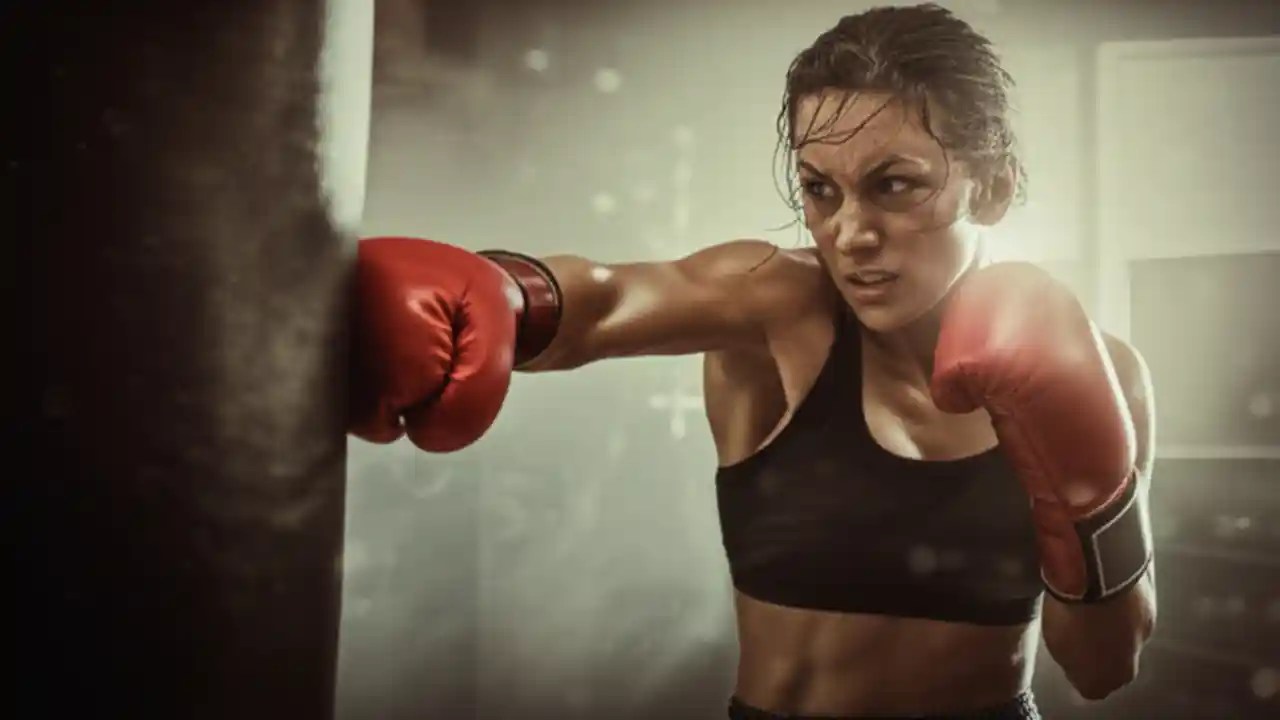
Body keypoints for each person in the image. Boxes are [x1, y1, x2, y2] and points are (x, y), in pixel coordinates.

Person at [349, 4, 1157, 719]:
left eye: (895, 186)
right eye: (819, 190)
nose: (849, 233)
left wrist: (1086, 492)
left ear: (992, 190)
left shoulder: (1106, 375)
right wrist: (499, 292)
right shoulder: (780, 308)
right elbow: (602, 303)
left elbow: (1100, 667)